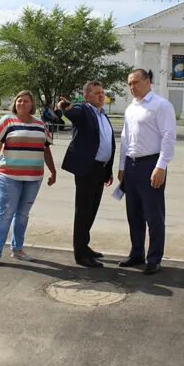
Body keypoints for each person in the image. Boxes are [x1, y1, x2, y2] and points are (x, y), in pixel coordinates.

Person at [0, 90, 57, 269]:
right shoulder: (6, 121)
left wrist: (53, 171)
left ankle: (17, 249)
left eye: (26, 101)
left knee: (23, 215)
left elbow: (45, 149)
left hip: (33, 178)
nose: (22, 104)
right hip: (9, 177)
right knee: (5, 214)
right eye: (19, 101)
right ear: (15, 103)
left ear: (32, 105)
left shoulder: (41, 124)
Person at [117, 69, 176, 275]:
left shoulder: (160, 105)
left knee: (154, 214)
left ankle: (154, 258)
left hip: (151, 165)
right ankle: (136, 253)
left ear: (148, 81)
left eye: (136, 82)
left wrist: (161, 166)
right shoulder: (131, 108)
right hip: (131, 165)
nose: (132, 87)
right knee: (133, 213)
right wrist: (122, 167)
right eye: (129, 84)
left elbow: (168, 136)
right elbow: (125, 139)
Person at [57, 81, 115, 268]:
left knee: (92, 210)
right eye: (97, 93)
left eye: (102, 92)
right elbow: (72, 112)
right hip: (87, 169)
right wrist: (66, 106)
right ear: (87, 96)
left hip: (100, 169)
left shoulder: (103, 115)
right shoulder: (84, 110)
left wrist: (109, 170)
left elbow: (107, 142)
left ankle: (84, 245)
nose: (101, 95)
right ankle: (80, 254)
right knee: (83, 211)